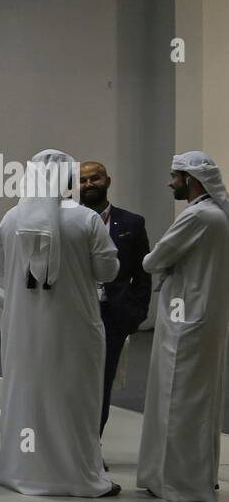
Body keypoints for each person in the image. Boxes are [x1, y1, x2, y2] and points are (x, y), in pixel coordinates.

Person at [0, 149, 120, 497]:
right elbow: (108, 270)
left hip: (25, 331)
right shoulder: (86, 219)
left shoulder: (11, 218)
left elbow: (2, 267)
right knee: (75, 399)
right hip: (75, 330)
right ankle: (76, 475)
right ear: (67, 180)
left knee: (28, 396)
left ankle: (24, 471)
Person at [136, 152, 229, 502]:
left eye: (174, 177)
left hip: (185, 322)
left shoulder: (198, 216)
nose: (169, 183)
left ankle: (177, 482)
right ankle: (185, 476)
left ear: (191, 180)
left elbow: (152, 260)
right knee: (194, 400)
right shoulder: (217, 214)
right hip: (199, 317)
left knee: (177, 398)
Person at [77, 161, 151, 433]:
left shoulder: (131, 222)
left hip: (113, 315)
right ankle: (71, 447)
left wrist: (137, 313)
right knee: (73, 380)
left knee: (102, 381)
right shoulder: (69, 220)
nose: (88, 185)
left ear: (108, 181)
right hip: (76, 312)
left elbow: (143, 272)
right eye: (82, 180)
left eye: (94, 178)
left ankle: (93, 445)